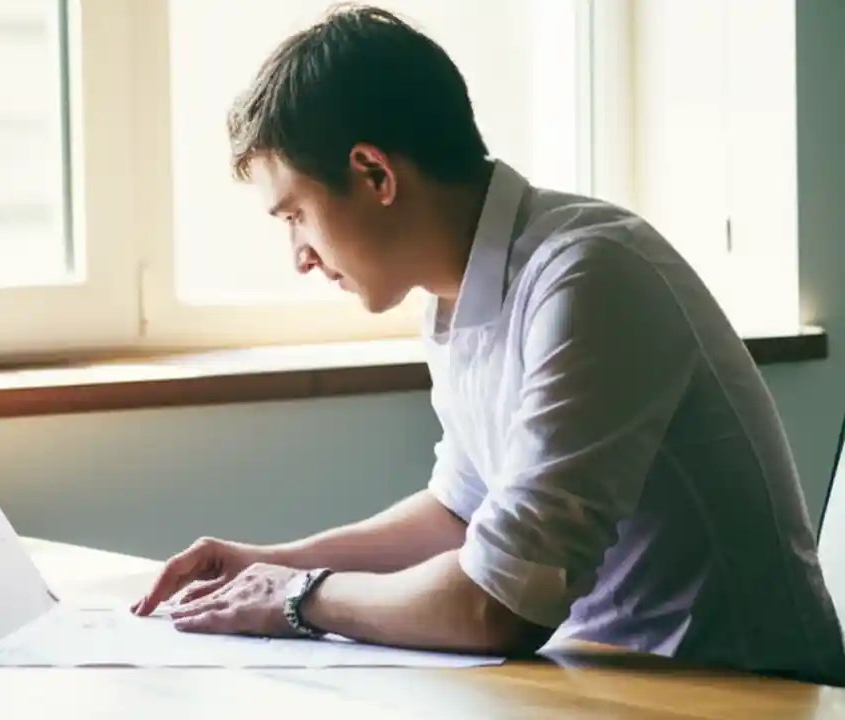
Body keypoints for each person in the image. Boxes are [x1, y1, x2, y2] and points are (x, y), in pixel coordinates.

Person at [129, 4, 845, 684]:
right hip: (606, 686)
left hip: (748, 694)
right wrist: (266, 564)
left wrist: (299, 598)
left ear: (376, 174)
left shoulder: (589, 277)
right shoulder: (460, 296)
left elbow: (497, 605)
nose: (299, 257)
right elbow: (461, 516)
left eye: (296, 216)